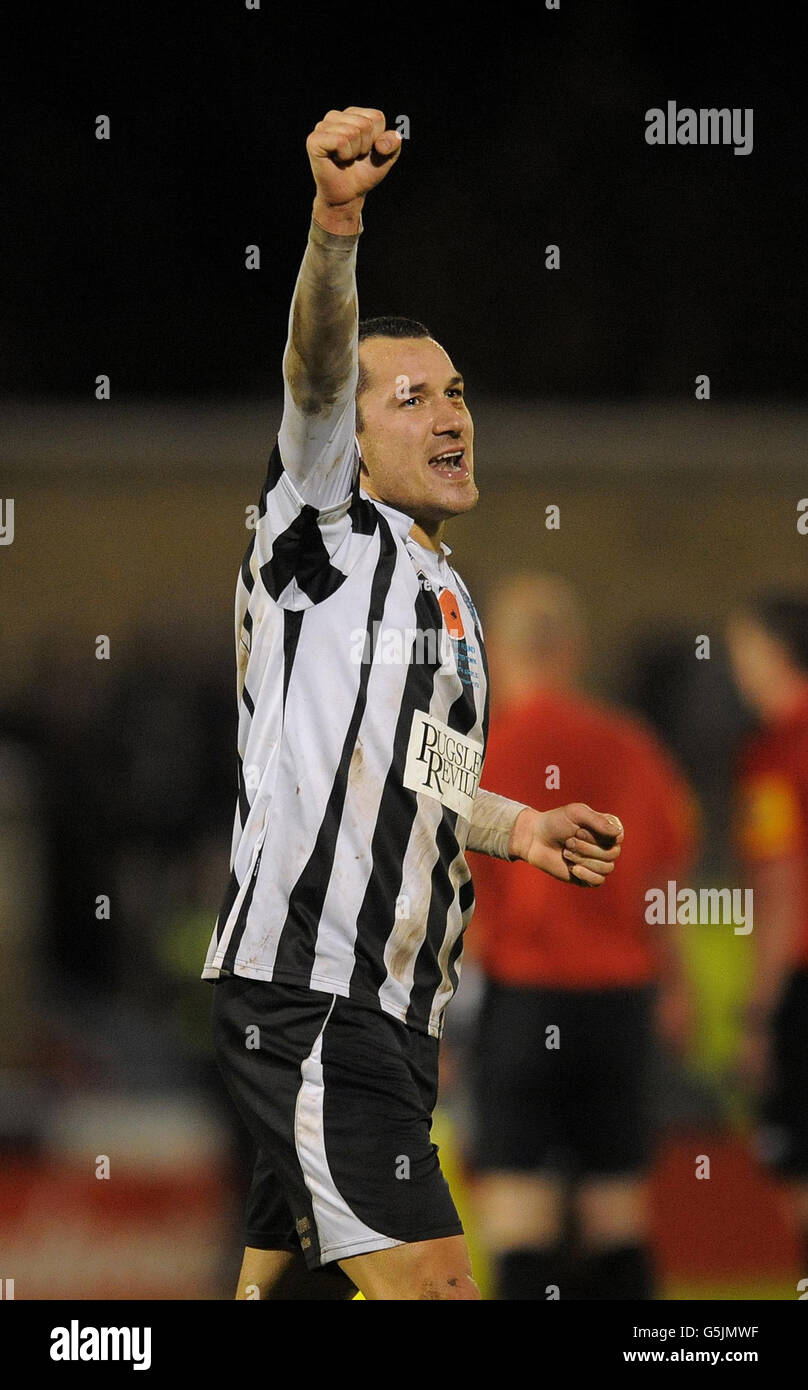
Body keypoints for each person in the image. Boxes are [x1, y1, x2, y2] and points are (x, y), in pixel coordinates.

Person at [202, 107, 624, 1302]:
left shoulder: (442, 593)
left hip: (389, 1005)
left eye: (456, 392)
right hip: (316, 990)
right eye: (410, 399)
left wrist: (523, 829)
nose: (449, 414)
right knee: (438, 1290)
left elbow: (421, 772)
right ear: (348, 434)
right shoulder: (317, 533)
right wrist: (338, 225)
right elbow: (315, 365)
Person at [466, 573, 696, 1299]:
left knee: (518, 1218)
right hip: (620, 1002)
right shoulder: (631, 747)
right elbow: (664, 878)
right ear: (575, 650)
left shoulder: (480, 754)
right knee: (617, 1214)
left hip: (522, 1003)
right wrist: (676, 985)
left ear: (495, 652)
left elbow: (463, 900)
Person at [726, 592, 808, 1280]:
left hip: (802, 983)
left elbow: (782, 887)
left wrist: (760, 1014)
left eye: (743, 651)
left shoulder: (776, 752)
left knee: (798, 1174)